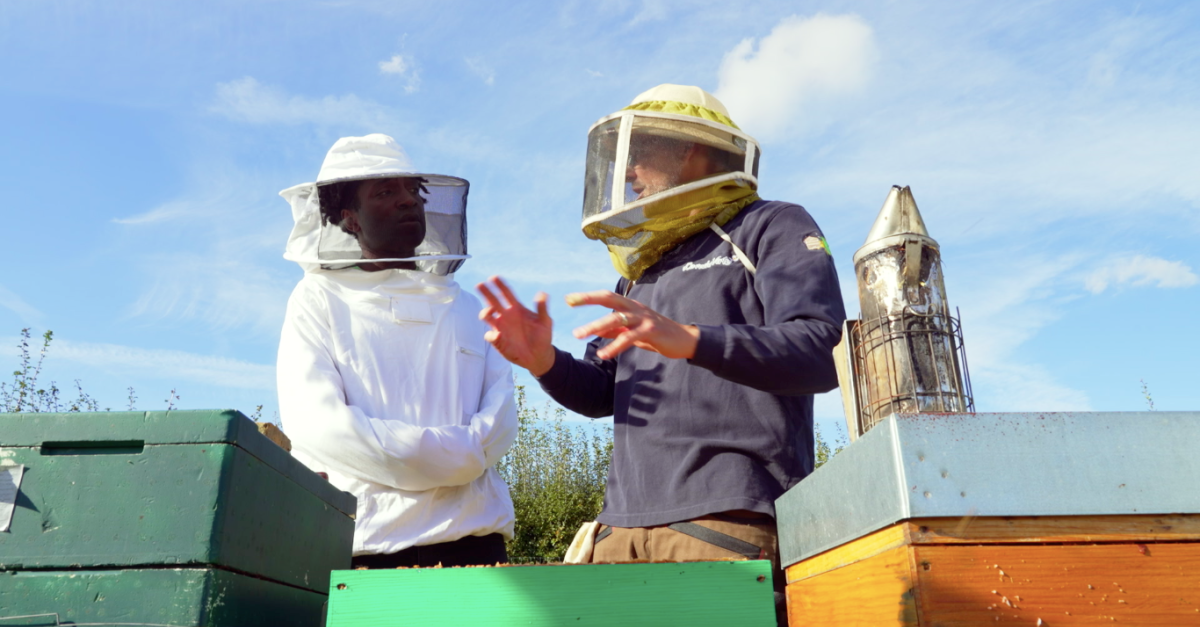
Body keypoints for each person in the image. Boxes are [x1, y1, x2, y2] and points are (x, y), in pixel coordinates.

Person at [477, 85, 845, 623]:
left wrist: (694, 339)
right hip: (617, 533)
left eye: (639, 156)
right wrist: (544, 361)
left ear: (692, 148)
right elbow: (603, 390)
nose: (627, 174)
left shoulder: (771, 225)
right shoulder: (640, 273)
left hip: (725, 524)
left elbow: (820, 348)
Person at [277, 134, 517, 569]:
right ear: (349, 219)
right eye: (385, 192)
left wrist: (454, 455)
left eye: (413, 191)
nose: (408, 202)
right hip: (368, 543)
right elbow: (319, 423)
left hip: (475, 542)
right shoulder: (316, 298)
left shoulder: (465, 305)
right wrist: (460, 456)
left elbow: (502, 417)